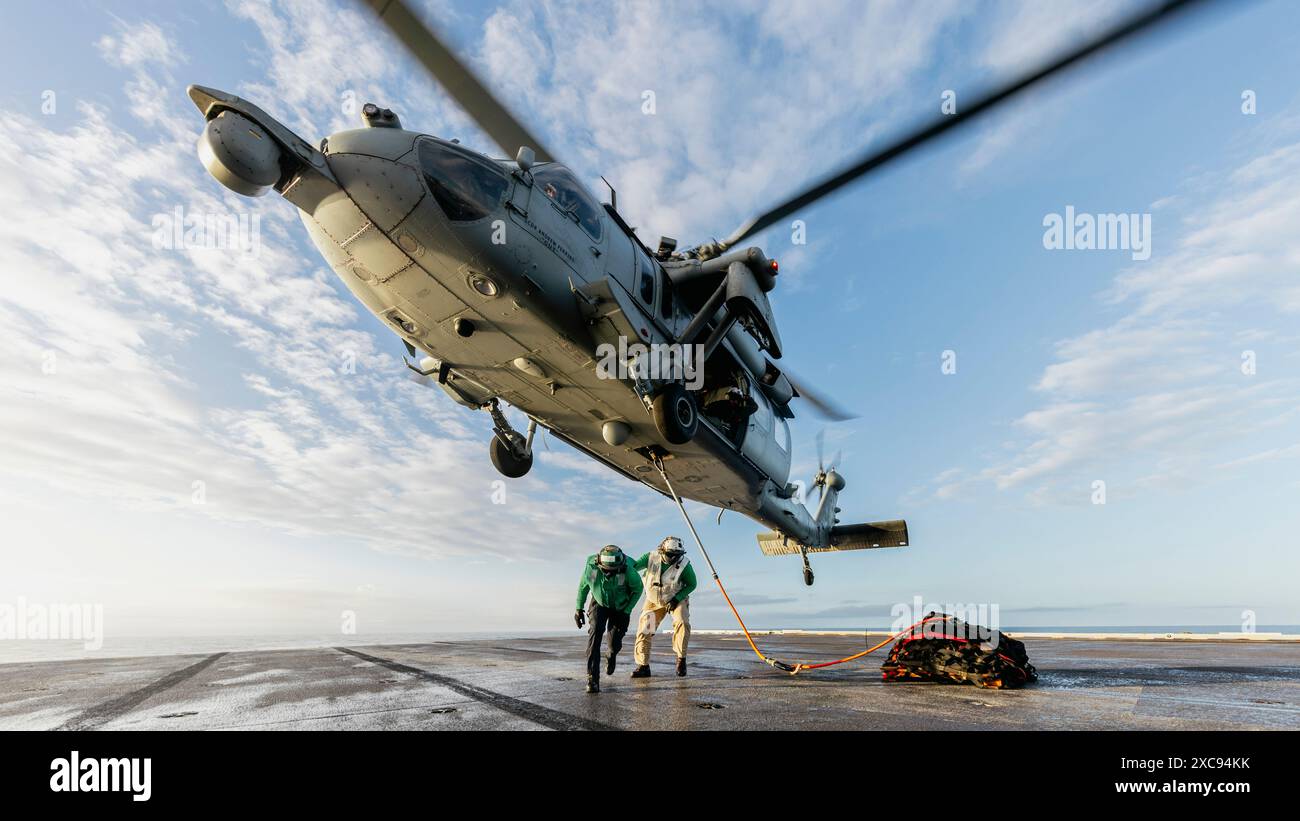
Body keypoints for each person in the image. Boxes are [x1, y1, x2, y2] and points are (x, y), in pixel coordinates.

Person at [574, 545, 643, 693]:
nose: (608, 574)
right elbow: (584, 587)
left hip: (620, 607)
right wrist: (579, 609)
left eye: (612, 571)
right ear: (599, 564)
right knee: (595, 633)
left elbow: (638, 590)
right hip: (599, 603)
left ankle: (611, 655)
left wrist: (627, 610)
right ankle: (592, 679)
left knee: (614, 643)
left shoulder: (628, 571)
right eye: (605, 570)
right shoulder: (592, 569)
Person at [630, 536, 697, 678]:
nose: (673, 558)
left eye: (676, 555)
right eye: (669, 554)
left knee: (682, 623)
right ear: (662, 550)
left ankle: (681, 659)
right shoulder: (650, 557)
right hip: (653, 600)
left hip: (676, 598)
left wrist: (677, 599)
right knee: (645, 630)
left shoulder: (685, 565)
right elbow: (633, 567)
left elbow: (692, 584)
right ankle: (643, 666)